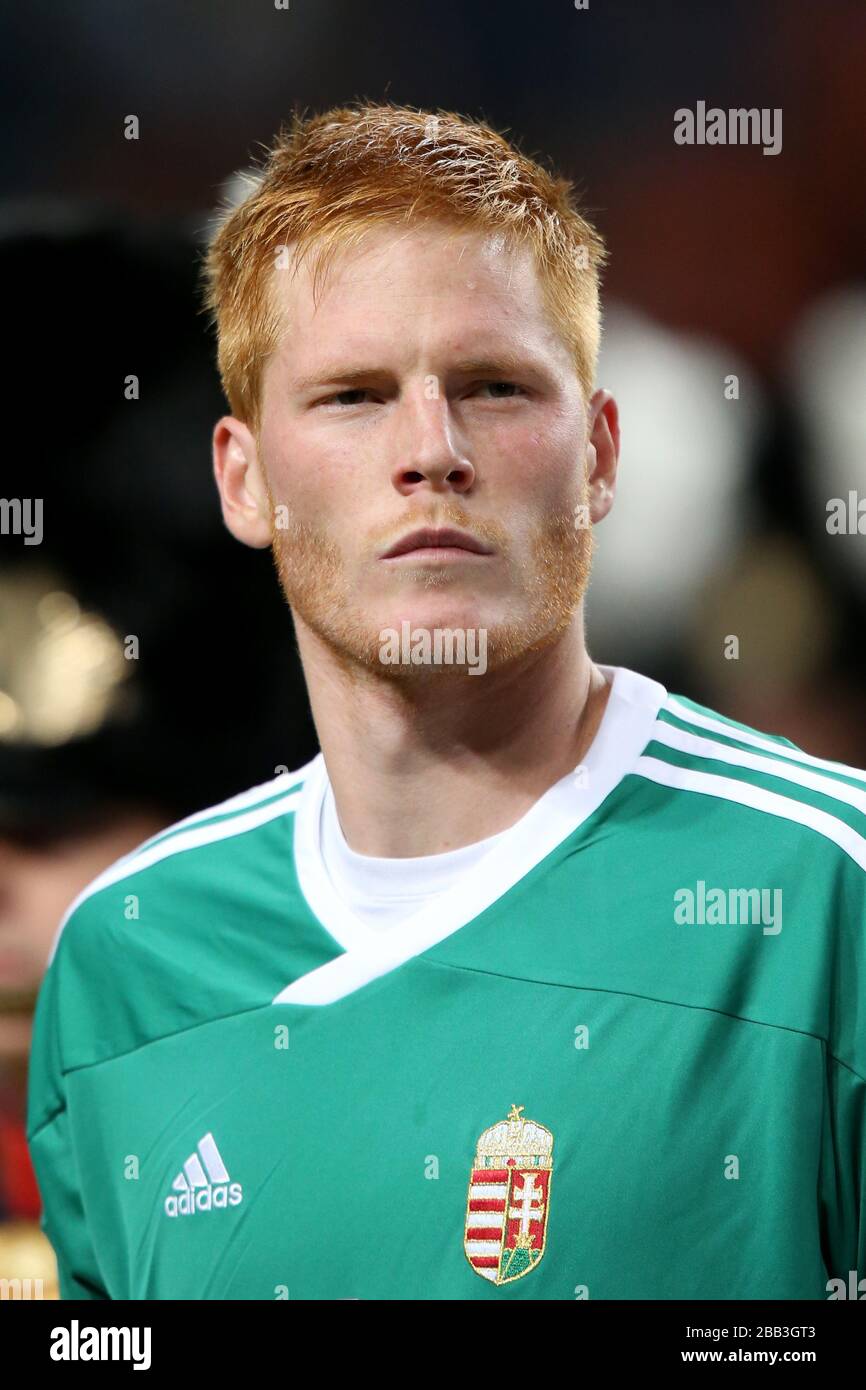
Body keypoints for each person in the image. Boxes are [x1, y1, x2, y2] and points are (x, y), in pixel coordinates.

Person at [27, 103, 865, 1300]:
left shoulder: (826, 897)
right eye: (353, 395)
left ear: (599, 456)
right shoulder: (126, 958)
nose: (431, 449)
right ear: (243, 479)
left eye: (494, 386)